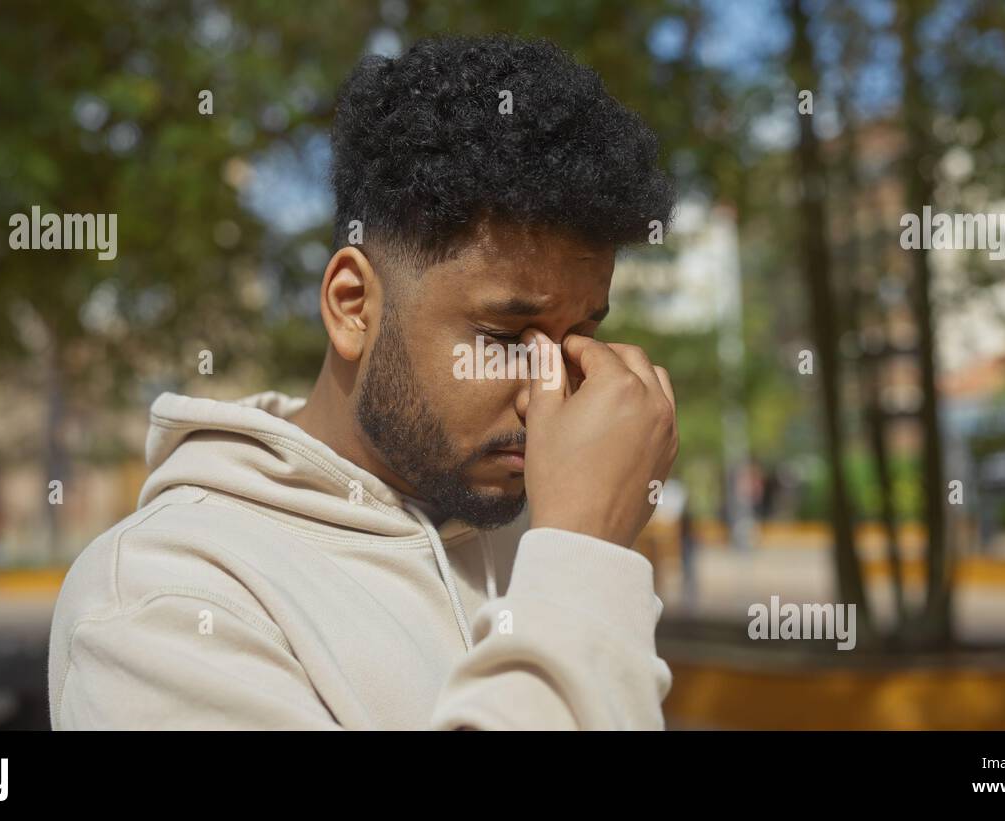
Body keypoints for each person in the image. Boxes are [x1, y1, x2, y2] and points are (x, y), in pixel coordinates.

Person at [48, 34, 679, 730]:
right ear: (354, 306)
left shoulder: (539, 528)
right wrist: (580, 562)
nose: (549, 392)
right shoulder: (165, 596)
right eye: (503, 338)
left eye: (579, 338)